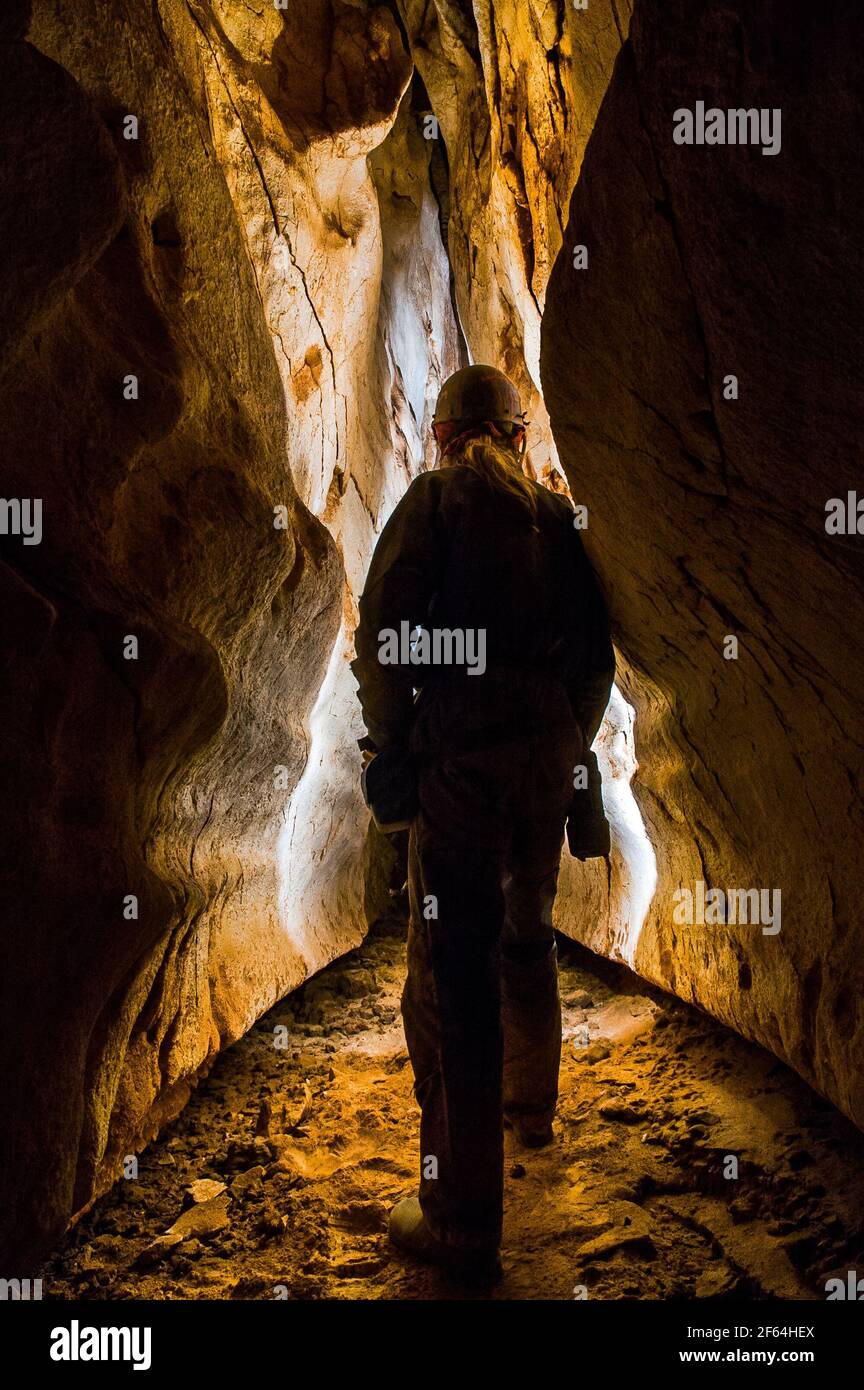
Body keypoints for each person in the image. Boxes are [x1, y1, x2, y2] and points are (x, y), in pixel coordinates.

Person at [351, 365, 615, 1282]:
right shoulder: (555, 522)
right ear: (517, 436)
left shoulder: (438, 502)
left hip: (461, 757)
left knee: (450, 974)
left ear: (446, 435)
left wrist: (397, 748)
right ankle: (530, 1112)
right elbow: (595, 659)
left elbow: (380, 631)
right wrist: (560, 746)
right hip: (544, 757)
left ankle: (463, 1220)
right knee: (526, 936)